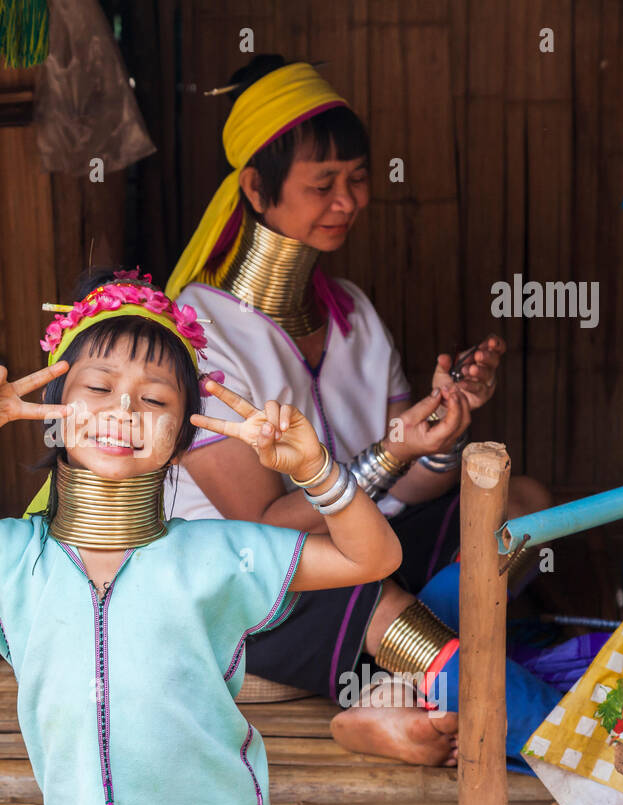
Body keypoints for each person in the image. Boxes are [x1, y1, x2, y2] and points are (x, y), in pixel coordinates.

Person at [0, 270, 402, 805]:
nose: (124, 409)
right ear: (53, 410)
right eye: (98, 387)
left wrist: (316, 471)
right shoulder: (10, 558)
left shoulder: (218, 557)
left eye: (155, 399)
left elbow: (374, 557)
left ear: (182, 439)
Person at [165, 55, 560, 768]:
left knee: (522, 506)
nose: (348, 201)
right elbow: (266, 526)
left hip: (363, 543)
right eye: (323, 185)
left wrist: (437, 436)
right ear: (257, 190)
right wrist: (389, 454)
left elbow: (416, 486)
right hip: (250, 582)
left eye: (358, 179)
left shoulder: (352, 314)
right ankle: (578, 748)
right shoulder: (199, 334)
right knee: (383, 601)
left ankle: (383, 697)